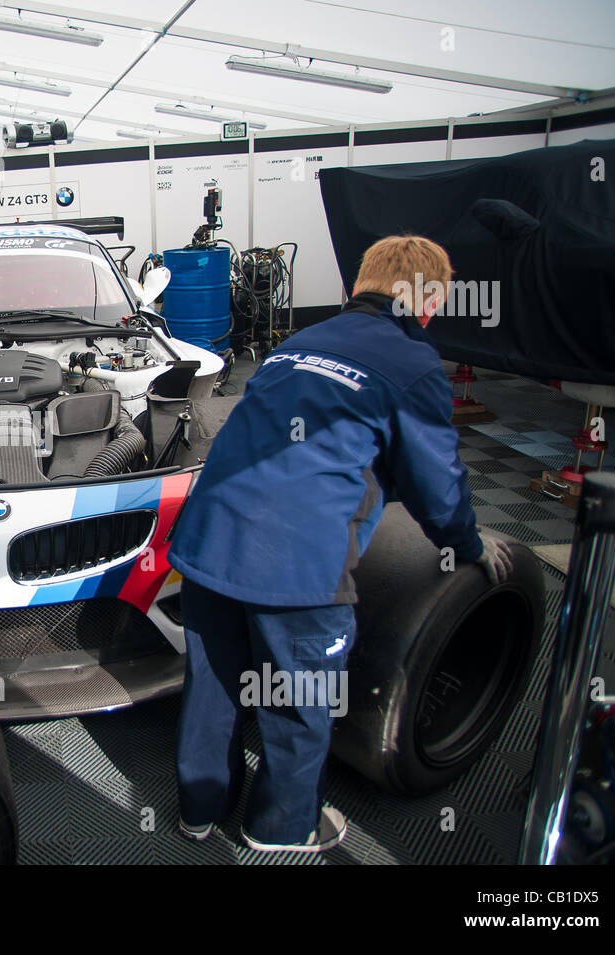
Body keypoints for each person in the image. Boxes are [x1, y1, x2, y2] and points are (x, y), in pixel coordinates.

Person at [167, 235, 512, 853]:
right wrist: (467, 545)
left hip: (208, 539)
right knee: (299, 702)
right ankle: (281, 828)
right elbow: (439, 488)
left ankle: (198, 809)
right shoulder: (413, 366)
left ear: (358, 286)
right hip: (298, 565)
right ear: (427, 302)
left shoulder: (296, 345)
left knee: (215, 685)